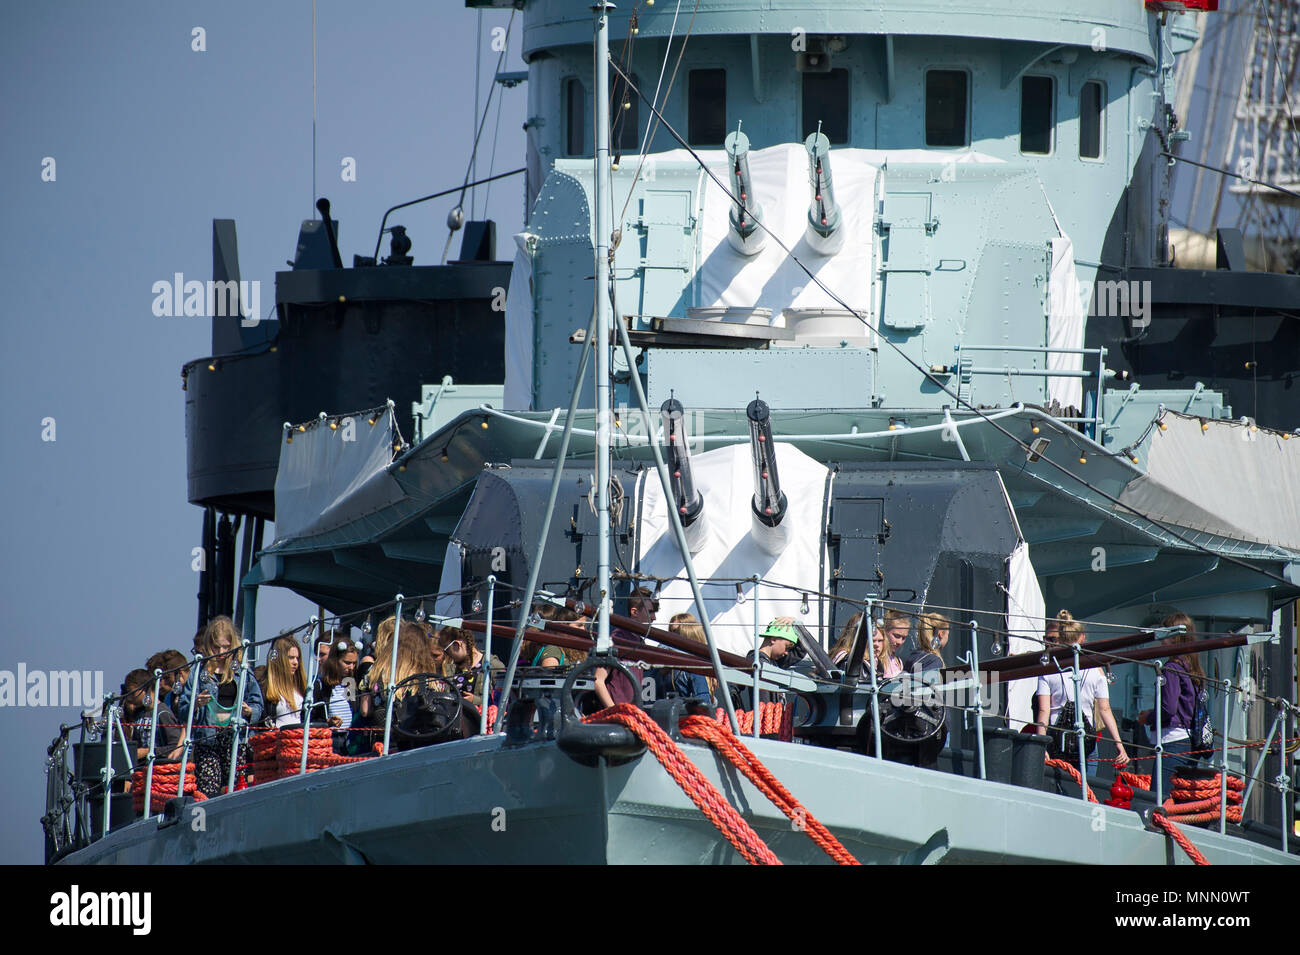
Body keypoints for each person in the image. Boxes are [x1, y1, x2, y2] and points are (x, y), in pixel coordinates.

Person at [174, 616, 265, 796]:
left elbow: (258, 704)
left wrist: (249, 711)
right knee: (208, 791)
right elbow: (183, 710)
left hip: (236, 739)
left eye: (225, 646)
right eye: (216, 646)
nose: (221, 651)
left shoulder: (242, 671)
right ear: (209, 645)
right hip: (207, 740)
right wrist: (196, 704)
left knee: (236, 790)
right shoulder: (198, 673)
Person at [1033, 610, 1129, 773]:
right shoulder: (1097, 671)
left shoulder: (1048, 671)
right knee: (1086, 788)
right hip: (1086, 741)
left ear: (1060, 639)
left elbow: (1044, 710)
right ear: (1082, 637)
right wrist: (1119, 744)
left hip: (1056, 740)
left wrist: (1041, 745)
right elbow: (1105, 710)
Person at [1138, 612, 1202, 797]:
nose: (1160, 640)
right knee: (1178, 798)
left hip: (1172, 741)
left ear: (1174, 638)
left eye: (1164, 635)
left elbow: (1168, 708)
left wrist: (1147, 717)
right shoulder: (1192, 667)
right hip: (1188, 741)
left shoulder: (1171, 668)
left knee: (1160, 797)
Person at [121, 668, 183, 762]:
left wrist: (147, 751)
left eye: (133, 693)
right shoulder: (139, 714)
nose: (130, 698)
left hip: (160, 771)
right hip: (142, 771)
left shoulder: (163, 714)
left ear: (146, 689)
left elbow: (175, 746)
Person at [653, 613, 715, 703]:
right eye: (670, 632)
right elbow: (704, 704)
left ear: (688, 633)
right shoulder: (691, 669)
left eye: (675, 632)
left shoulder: (703, 665)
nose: (670, 636)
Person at [437, 626, 504, 709]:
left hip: (480, 719)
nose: (447, 655)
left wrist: (475, 700)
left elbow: (503, 700)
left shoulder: (492, 665)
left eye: (447, 650)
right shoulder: (451, 667)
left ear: (457, 644)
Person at [262, 635, 306, 728]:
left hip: (299, 740)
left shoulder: (302, 687)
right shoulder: (265, 687)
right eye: (291, 657)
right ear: (279, 659)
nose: (296, 662)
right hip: (277, 740)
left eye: (297, 658)